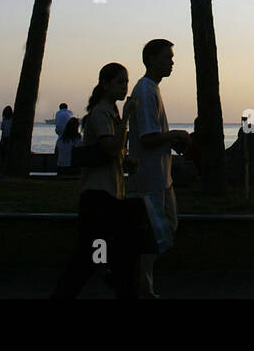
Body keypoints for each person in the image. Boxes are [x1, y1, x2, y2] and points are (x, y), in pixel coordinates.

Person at [52, 62, 139, 299]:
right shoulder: (102, 113)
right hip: (100, 196)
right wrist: (128, 117)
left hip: (108, 193)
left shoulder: (109, 111)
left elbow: (112, 152)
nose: (124, 87)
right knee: (95, 255)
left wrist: (125, 161)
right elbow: (111, 147)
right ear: (105, 84)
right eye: (120, 82)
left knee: (104, 254)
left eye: (126, 82)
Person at [126, 38, 189, 298]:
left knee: (163, 230)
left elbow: (154, 135)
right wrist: (176, 134)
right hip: (149, 178)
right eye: (167, 57)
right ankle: (142, 288)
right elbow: (148, 137)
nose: (172, 62)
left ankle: (140, 284)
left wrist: (173, 141)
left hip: (161, 176)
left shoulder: (151, 89)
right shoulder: (145, 91)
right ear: (151, 59)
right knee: (152, 236)